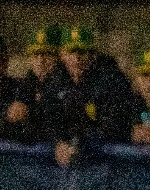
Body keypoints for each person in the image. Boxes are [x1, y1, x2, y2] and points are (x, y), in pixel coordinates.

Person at [42, 26, 136, 166]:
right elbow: (47, 118)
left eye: (82, 51)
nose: (76, 58)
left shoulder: (111, 81)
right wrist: (58, 142)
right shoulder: (54, 80)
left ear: (93, 54)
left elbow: (115, 125)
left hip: (105, 164)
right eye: (71, 51)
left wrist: (79, 141)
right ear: (62, 54)